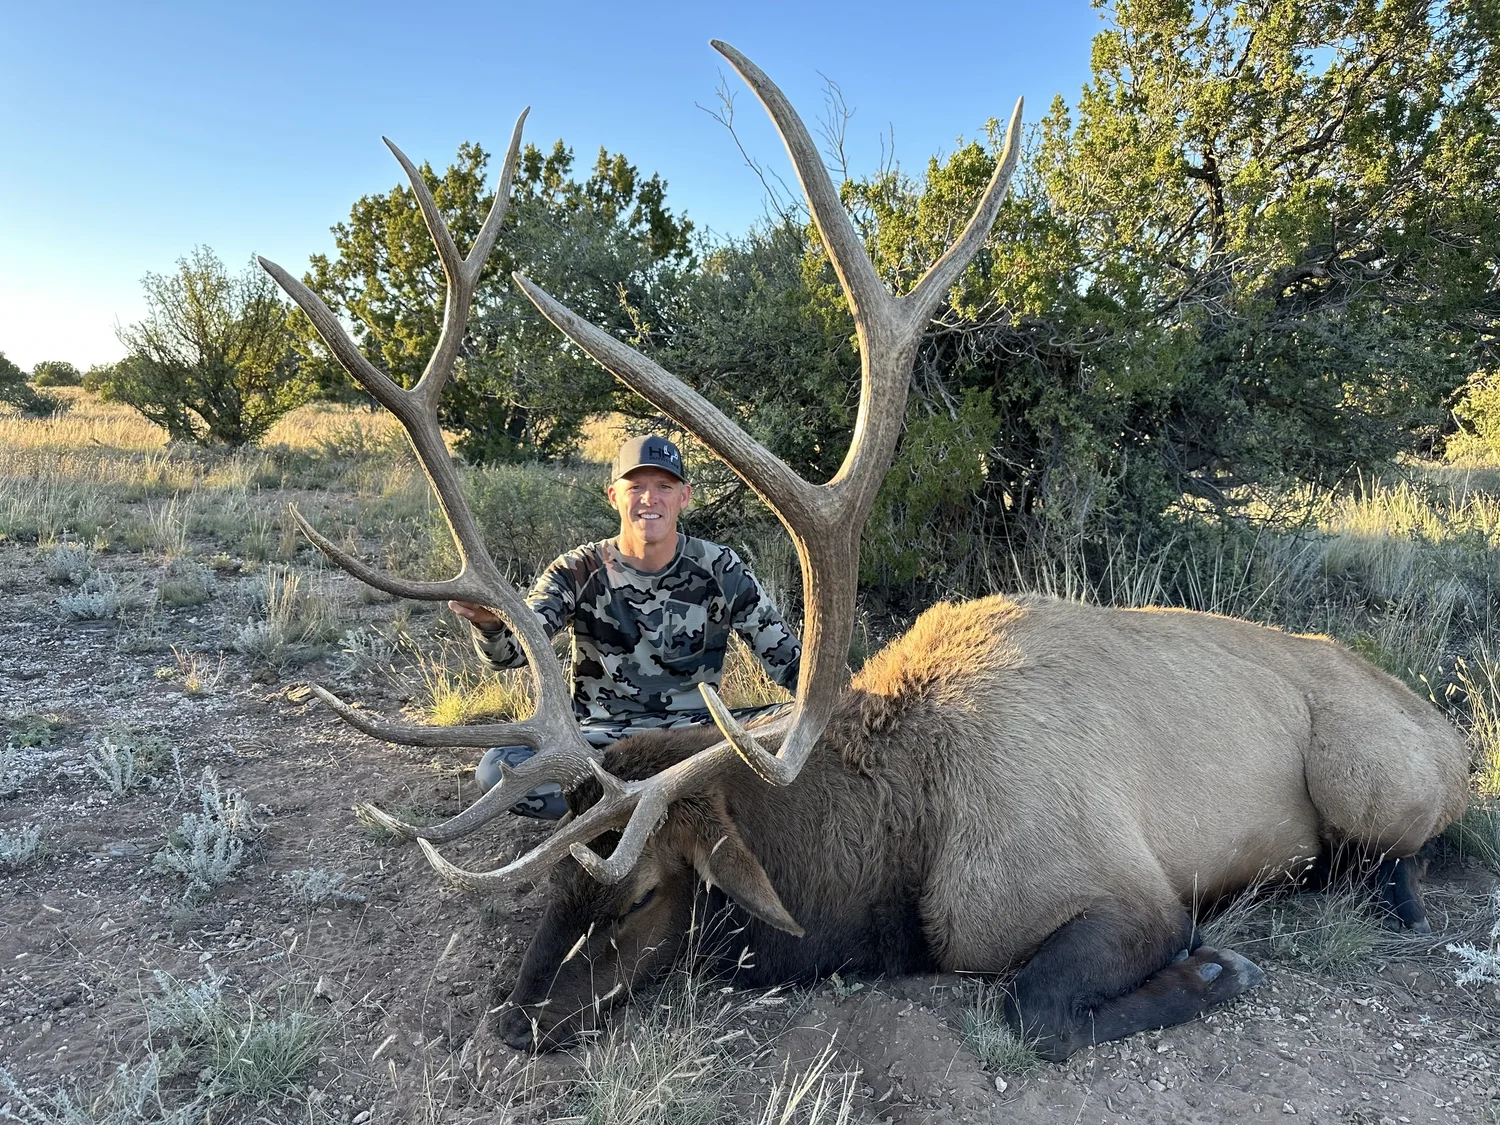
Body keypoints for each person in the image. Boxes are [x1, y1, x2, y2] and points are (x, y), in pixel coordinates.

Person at [449, 435, 802, 819]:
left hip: (700, 738)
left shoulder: (721, 567)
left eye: (663, 486)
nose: (650, 499)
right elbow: (515, 652)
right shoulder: (578, 569)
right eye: (636, 487)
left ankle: (622, 811)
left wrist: (842, 705)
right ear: (614, 496)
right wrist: (492, 626)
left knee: (806, 731)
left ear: (684, 496)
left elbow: (788, 661)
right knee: (499, 769)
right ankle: (683, 811)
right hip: (604, 739)